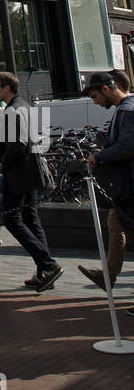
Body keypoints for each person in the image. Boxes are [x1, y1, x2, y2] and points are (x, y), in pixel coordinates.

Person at [0, 72, 62, 292]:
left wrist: (2, 162)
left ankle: (48, 266)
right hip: (31, 171)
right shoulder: (25, 106)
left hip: (19, 173)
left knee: (12, 220)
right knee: (31, 219)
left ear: (7, 88)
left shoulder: (13, 110)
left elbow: (18, 144)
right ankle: (45, 272)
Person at [78, 71, 134, 291]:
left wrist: (99, 156)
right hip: (126, 185)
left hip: (130, 185)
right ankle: (108, 275)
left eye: (95, 97)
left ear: (106, 89)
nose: (95, 102)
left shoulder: (127, 111)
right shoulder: (124, 110)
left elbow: (128, 146)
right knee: (114, 222)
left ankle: (108, 276)